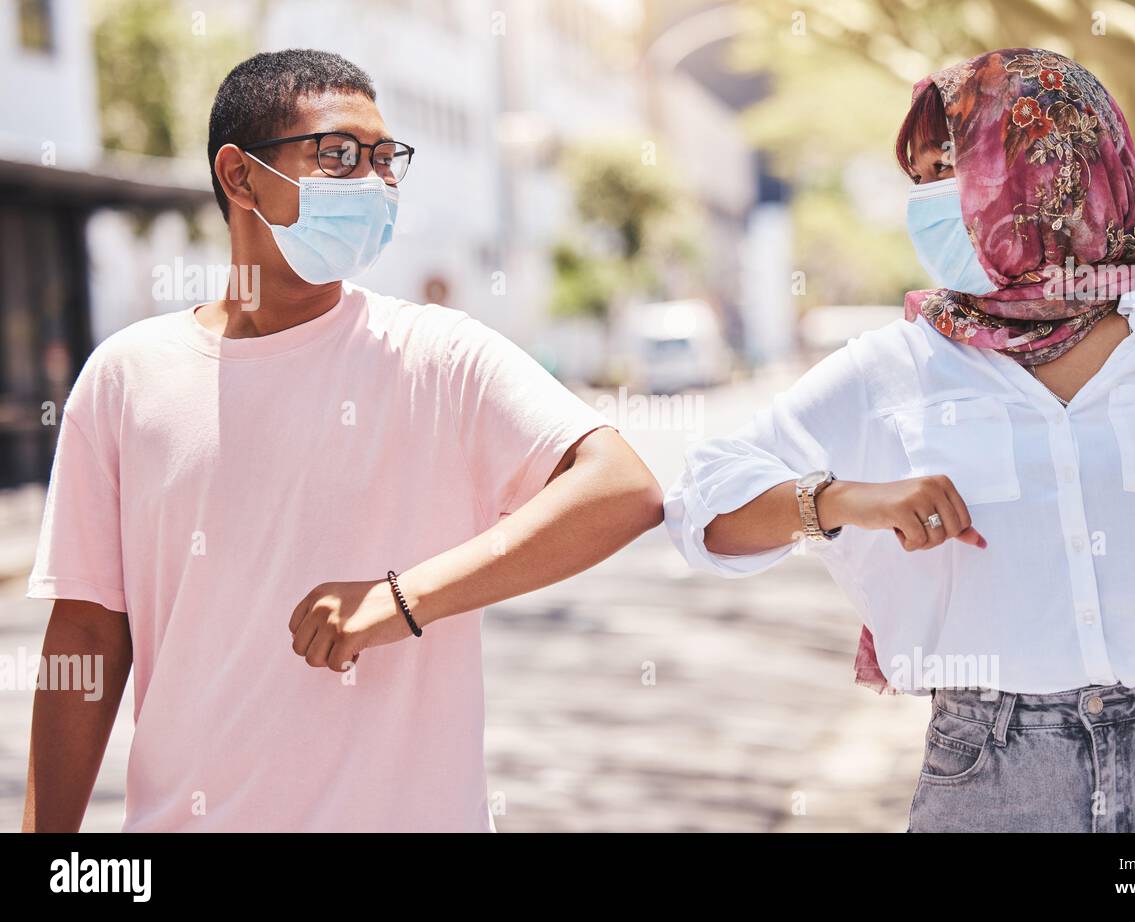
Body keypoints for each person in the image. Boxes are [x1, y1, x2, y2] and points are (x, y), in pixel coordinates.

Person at [23, 49, 663, 832]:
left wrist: (403, 600)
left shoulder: (439, 355)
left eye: (385, 158)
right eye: (337, 155)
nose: (371, 181)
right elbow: (86, 633)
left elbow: (621, 488)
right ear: (240, 175)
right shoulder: (127, 376)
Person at [663, 48, 1135, 832]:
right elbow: (700, 507)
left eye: (957, 164)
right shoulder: (897, 364)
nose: (931, 198)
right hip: (992, 778)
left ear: (1059, 167)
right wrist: (840, 499)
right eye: (921, 173)